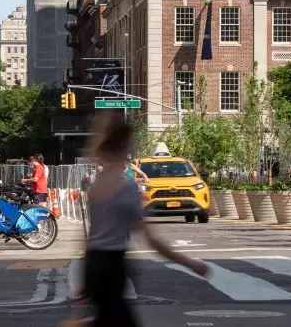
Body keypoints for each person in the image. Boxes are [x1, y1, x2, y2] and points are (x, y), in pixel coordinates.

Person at [83, 113, 209, 326]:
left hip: (93, 265)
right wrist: (189, 263)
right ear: (125, 148)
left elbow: (88, 235)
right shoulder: (126, 188)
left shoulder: (96, 185)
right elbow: (151, 240)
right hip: (113, 266)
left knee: (106, 318)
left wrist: (83, 279)